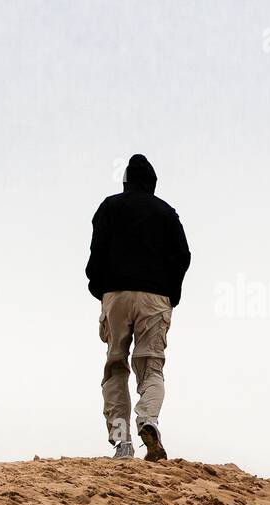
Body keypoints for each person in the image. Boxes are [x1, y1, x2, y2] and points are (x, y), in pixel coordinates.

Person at [85, 153, 191, 461]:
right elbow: (182, 257)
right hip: (155, 298)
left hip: (116, 295)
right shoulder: (167, 214)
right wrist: (171, 293)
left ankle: (123, 443)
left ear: (126, 182)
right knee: (151, 368)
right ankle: (149, 421)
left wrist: (100, 288)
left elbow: (96, 252)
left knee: (116, 367)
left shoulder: (108, 207)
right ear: (153, 185)